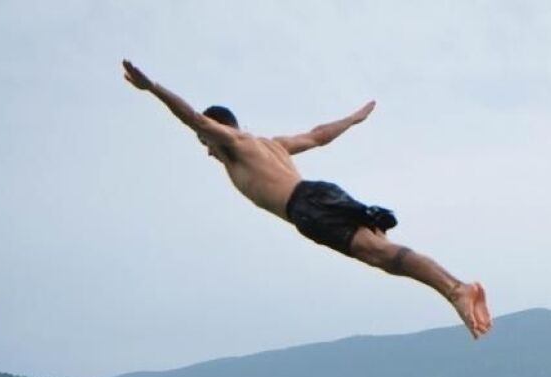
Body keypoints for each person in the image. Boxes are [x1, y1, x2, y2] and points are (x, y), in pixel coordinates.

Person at [121, 60, 492, 339]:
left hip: (307, 207)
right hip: (319, 194)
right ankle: (456, 290)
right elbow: (317, 136)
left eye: (206, 144)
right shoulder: (271, 145)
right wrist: (353, 119)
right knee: (381, 253)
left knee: (377, 254)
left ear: (219, 132)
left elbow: (195, 120)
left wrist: (152, 87)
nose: (207, 152)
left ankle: (458, 291)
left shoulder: (234, 144)